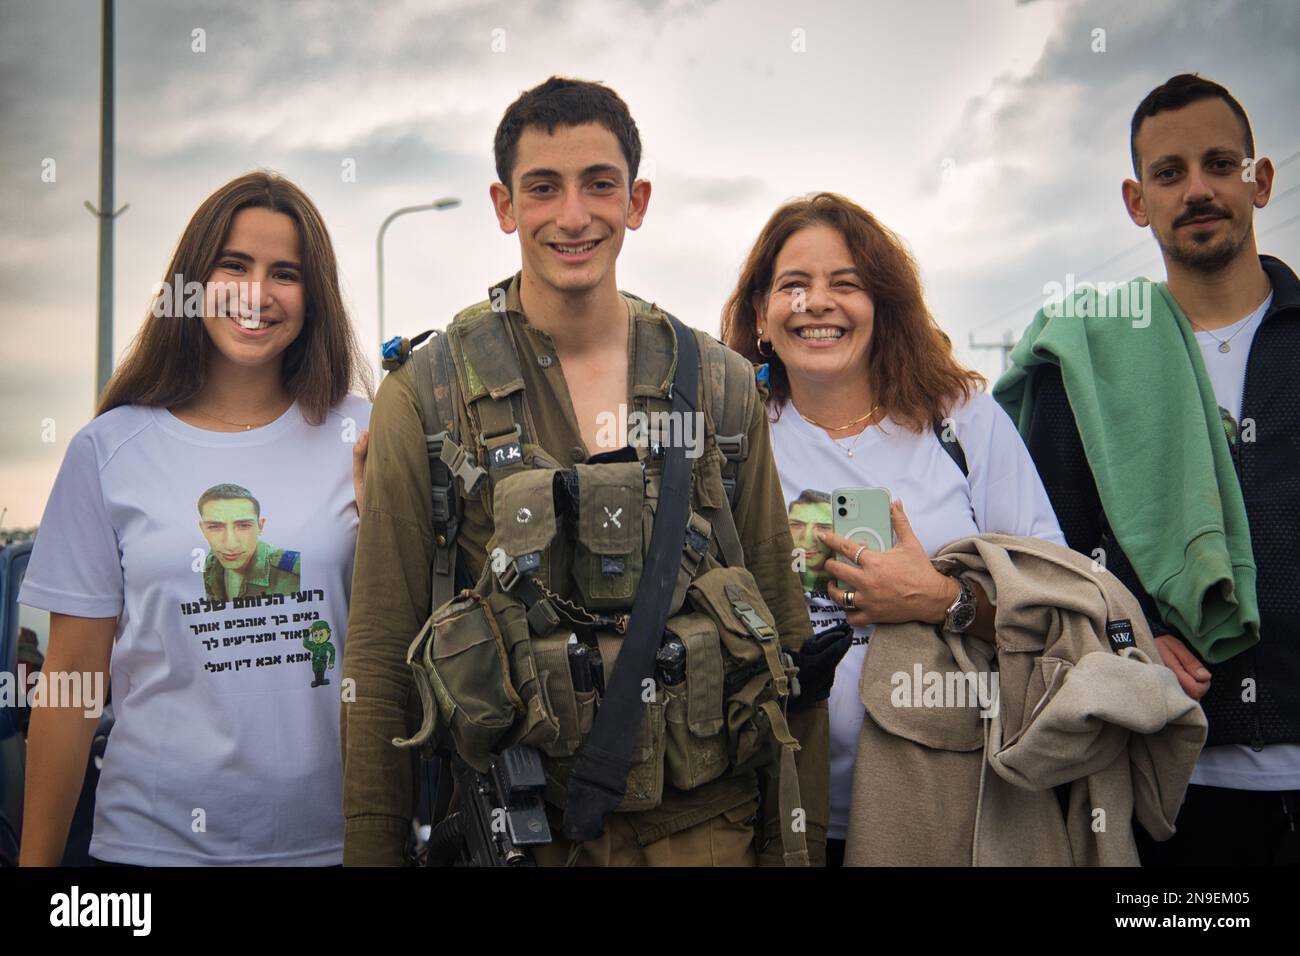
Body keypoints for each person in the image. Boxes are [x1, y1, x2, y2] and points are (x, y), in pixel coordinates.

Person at [341, 76, 827, 867]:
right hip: (526, 836)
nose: (573, 216)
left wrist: (791, 851)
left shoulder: (719, 383)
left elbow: (785, 633)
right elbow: (378, 655)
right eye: (543, 188)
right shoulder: (425, 397)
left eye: (599, 185)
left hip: (707, 834)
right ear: (505, 207)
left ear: (635, 200)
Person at [18, 171, 372, 866]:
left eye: (286, 273)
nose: (256, 293)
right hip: (147, 847)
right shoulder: (109, 449)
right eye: (233, 265)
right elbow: (71, 680)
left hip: (334, 845)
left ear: (315, 296)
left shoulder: (363, 434)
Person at [995, 74, 1300, 866]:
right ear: (1137, 201)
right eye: (1169, 174)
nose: (1197, 189)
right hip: (1167, 778)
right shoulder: (1087, 362)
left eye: (1219, 164)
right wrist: (1127, 630)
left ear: (1258, 179)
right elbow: (1047, 557)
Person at [722, 191, 1065, 866]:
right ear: (762, 314)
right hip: (766, 810)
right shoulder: (729, 435)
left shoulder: (961, 419)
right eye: (794, 285)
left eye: (845, 285)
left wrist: (942, 600)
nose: (818, 303)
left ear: (881, 306)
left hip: (947, 811)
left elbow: (1052, 610)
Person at [197, 483, 301, 601]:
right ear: (203, 529)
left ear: (260, 526)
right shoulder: (207, 566)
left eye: (243, 526)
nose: (231, 544)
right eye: (215, 527)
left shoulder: (297, 572)